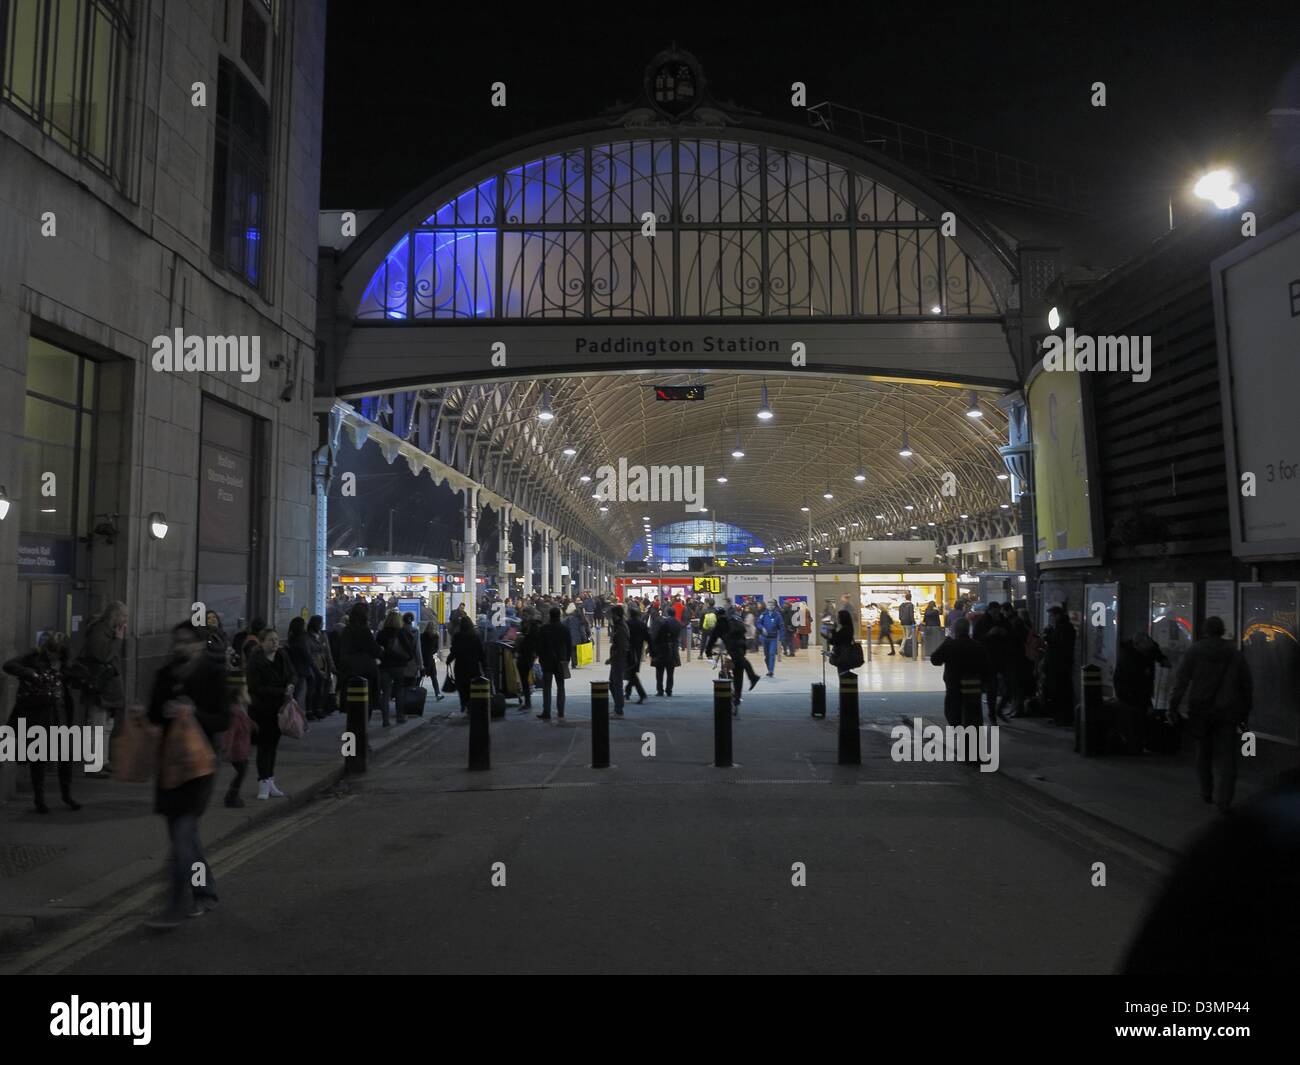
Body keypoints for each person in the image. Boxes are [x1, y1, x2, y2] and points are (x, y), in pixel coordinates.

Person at [144, 622, 228, 929]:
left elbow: (223, 719)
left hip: (202, 763)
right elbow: (152, 714)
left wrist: (194, 714)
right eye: (176, 641)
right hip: (171, 763)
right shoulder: (164, 675)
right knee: (185, 836)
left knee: (182, 834)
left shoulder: (214, 674)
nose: (179, 647)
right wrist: (164, 712)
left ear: (198, 645)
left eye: (185, 642)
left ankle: (173, 907)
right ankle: (205, 892)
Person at [1168, 616, 1253, 811]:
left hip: (1201, 708)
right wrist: (1246, 709)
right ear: (1222, 630)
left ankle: (1206, 790)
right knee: (1228, 756)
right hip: (1228, 710)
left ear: (1205, 630)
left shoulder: (1195, 651)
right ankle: (1224, 799)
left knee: (1203, 752)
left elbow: (1181, 681)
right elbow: (1246, 684)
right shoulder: (1234, 653)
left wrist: (1173, 705)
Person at [4, 632, 79, 813]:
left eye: (57, 653)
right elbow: (8, 665)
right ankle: (39, 799)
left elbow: (72, 679)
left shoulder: (65, 664)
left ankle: (66, 795)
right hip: (39, 713)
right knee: (39, 758)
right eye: (51, 651)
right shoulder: (33, 658)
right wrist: (29, 673)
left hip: (59, 713)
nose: (53, 656)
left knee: (65, 756)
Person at [73, 600, 127, 773]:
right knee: (96, 725)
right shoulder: (99, 631)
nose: (125, 620)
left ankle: (102, 760)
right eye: (123, 615)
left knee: (106, 726)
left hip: (109, 687)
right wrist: (118, 640)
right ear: (115, 615)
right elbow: (103, 656)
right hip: (99, 687)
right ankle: (93, 764)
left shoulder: (110, 631)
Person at [246, 628, 294, 800]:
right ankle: (263, 782)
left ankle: (270, 780)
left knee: (273, 745)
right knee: (263, 746)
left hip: (279, 709)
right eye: (270, 640)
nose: (275, 643)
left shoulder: (282, 657)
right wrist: (282, 691)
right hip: (262, 710)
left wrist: (290, 685)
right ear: (261, 642)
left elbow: (291, 674)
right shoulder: (255, 661)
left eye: (276, 640)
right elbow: (255, 688)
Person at [930, 617, 992, 737]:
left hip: (954, 685)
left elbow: (935, 660)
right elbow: (987, 667)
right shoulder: (978, 646)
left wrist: (946, 641)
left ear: (955, 631)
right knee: (974, 715)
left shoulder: (950, 645)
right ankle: (973, 744)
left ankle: (961, 734)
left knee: (952, 712)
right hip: (974, 687)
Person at [705, 603, 759, 712]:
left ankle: (753, 677)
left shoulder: (720, 623)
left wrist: (708, 652)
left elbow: (712, 640)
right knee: (738, 671)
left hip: (733, 647)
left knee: (738, 664)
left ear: (716, 615)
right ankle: (738, 698)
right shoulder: (733, 619)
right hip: (742, 645)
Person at [337, 602, 382, 719]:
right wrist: (381, 650)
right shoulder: (364, 631)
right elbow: (375, 650)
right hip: (366, 669)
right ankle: (362, 729)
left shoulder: (346, 630)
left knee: (352, 702)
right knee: (367, 702)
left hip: (349, 670)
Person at [377, 610, 416, 725]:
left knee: (386, 693)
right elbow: (409, 649)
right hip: (399, 665)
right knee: (399, 691)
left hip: (384, 665)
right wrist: (406, 659)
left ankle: (385, 720)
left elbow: (377, 649)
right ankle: (400, 717)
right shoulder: (401, 633)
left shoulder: (381, 633)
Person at [536, 606, 572, 719]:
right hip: (561, 661)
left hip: (547, 661)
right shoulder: (564, 629)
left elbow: (539, 645)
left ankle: (546, 711)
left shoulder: (544, 628)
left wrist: (540, 657)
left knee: (546, 687)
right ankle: (561, 711)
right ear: (559, 616)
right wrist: (567, 659)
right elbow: (569, 645)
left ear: (550, 616)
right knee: (561, 686)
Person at [1043, 606, 1077, 726]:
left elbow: (1061, 646)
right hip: (1058, 664)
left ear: (1058, 615)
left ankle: (1063, 717)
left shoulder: (1065, 628)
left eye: (1052, 616)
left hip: (1060, 665)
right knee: (1057, 691)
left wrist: (1049, 638)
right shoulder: (1060, 627)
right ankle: (1059, 716)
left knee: (1061, 691)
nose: (1051, 618)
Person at [446, 616, 486, 712]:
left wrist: (449, 660)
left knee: (461, 686)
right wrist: (485, 665)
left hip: (460, 666)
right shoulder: (475, 637)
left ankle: (464, 703)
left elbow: (454, 651)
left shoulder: (457, 637)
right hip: (473, 667)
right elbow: (481, 652)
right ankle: (471, 705)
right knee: (472, 687)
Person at [286, 616, 318, 720]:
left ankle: (292, 714)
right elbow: (307, 655)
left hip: (293, 668)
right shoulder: (302, 639)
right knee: (298, 693)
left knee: (295, 693)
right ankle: (294, 716)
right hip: (301, 669)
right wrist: (315, 668)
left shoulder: (291, 638)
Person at [306, 615, 336, 717]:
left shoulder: (323, 635)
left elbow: (328, 651)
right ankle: (310, 710)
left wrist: (331, 665)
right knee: (313, 687)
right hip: (314, 663)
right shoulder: (308, 636)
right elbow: (309, 652)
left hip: (324, 663)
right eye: (320, 623)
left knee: (323, 686)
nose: (322, 625)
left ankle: (320, 708)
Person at [652, 605, 681, 696]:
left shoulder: (663, 622)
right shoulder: (678, 623)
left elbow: (657, 636)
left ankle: (660, 690)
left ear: (667, 613)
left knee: (659, 672)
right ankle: (669, 690)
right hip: (673, 650)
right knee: (670, 672)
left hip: (662, 649)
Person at [607, 604, 630, 716]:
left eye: (612, 614)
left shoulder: (621, 627)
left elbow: (622, 646)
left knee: (617, 684)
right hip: (616, 659)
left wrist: (612, 658)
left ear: (616, 615)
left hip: (619, 660)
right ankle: (618, 706)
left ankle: (619, 709)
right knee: (612, 684)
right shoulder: (619, 625)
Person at [625, 606, 649, 704]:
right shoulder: (642, 624)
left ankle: (641, 693)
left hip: (629, 650)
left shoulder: (627, 624)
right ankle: (627, 692)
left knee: (632, 673)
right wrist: (651, 650)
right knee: (632, 672)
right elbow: (648, 637)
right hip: (638, 651)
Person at [826, 609, 859, 675]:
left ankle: (844, 684)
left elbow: (834, 641)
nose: (838, 619)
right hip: (845, 654)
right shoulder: (848, 628)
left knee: (843, 674)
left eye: (839, 617)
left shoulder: (845, 630)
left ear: (843, 618)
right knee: (844, 674)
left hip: (842, 655)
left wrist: (833, 630)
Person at [757, 601, 785, 677]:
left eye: (772, 605)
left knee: (772, 654)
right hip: (765, 638)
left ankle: (771, 671)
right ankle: (769, 667)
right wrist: (762, 628)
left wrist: (782, 637)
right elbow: (758, 623)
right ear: (767, 606)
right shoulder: (763, 614)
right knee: (767, 655)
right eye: (769, 605)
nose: (770, 606)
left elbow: (782, 626)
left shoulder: (778, 615)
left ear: (774, 606)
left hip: (773, 638)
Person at [421, 620, 445, 702]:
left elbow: (421, 647)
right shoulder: (435, 636)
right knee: (433, 677)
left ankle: (414, 691)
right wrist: (432, 652)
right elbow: (436, 648)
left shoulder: (422, 635)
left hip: (424, 658)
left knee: (420, 677)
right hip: (430, 659)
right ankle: (437, 693)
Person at [898, 591, 916, 659]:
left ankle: (902, 649)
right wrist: (913, 622)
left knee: (905, 636)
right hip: (908, 623)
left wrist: (902, 620)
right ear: (910, 598)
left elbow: (899, 616)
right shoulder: (911, 605)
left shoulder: (901, 605)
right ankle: (904, 650)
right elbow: (911, 615)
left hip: (902, 623)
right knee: (909, 637)